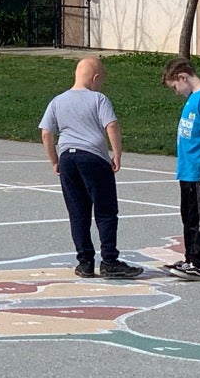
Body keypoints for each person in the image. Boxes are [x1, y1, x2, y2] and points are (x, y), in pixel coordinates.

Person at [39, 56, 142, 280]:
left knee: (78, 212)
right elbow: (111, 125)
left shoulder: (58, 100)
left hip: (67, 158)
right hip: (93, 157)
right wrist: (117, 153)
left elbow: (46, 132)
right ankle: (109, 260)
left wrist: (54, 160)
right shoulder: (98, 99)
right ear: (95, 78)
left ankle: (85, 262)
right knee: (105, 210)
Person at [162, 56, 200, 280]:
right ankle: (188, 257)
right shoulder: (192, 99)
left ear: (183, 77)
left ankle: (198, 262)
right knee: (187, 216)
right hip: (186, 169)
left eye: (175, 87)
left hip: (199, 169)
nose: (176, 91)